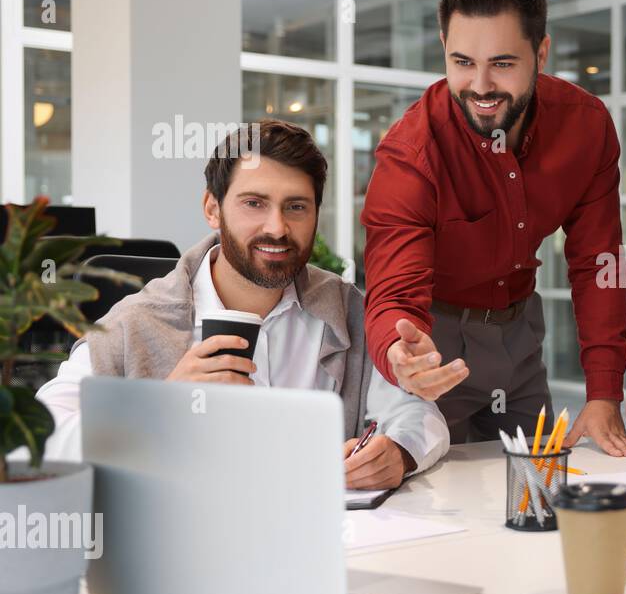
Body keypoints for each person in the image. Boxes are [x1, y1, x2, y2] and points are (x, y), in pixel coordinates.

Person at [36, 120, 449, 490]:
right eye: (254, 203)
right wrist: (161, 408)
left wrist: (398, 454)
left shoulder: (348, 311)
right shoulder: (133, 323)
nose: (277, 227)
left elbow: (423, 418)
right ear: (212, 209)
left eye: (296, 207)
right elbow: (38, 441)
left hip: (322, 545)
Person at [360, 0, 626, 457]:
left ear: (541, 52)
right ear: (444, 51)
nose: (481, 86)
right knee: (434, 506)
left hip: (519, 342)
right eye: (462, 62)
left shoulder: (586, 127)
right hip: (436, 349)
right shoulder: (410, 153)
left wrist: (604, 391)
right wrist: (397, 354)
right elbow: (393, 293)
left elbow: (599, 263)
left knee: (536, 491)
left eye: (503, 63)